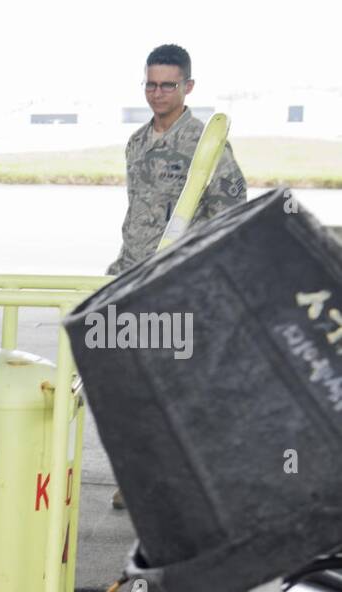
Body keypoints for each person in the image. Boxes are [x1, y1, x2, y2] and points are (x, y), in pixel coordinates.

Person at [106, 44, 246, 508]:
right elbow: (137, 213)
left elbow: (230, 211)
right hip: (135, 279)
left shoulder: (204, 144)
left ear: (188, 86)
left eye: (168, 84)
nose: (157, 93)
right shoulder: (137, 142)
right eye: (151, 84)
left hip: (180, 285)